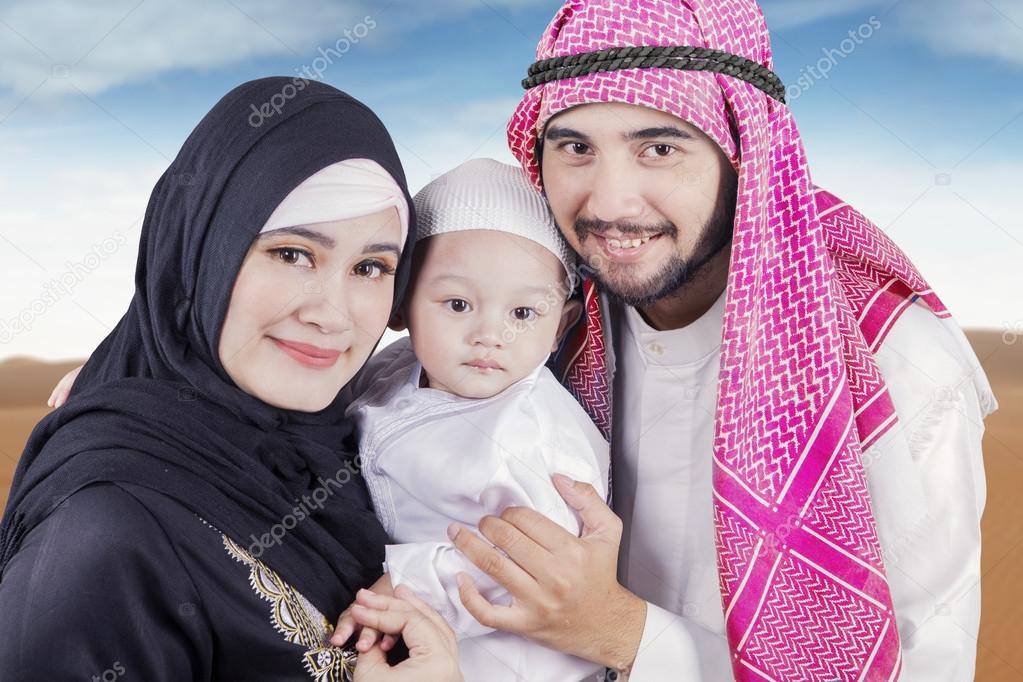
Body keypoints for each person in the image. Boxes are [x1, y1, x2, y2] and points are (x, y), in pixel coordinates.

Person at [446, 1, 998, 680]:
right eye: (575, 148)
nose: (611, 203)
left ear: (742, 149)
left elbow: (924, 669)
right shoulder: (544, 318)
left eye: (659, 148)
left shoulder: (893, 360)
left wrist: (621, 633)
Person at [0, 77, 463, 682]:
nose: (332, 312)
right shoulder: (103, 541)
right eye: (293, 253)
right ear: (200, 254)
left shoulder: (364, 454)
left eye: (370, 267)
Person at [331, 158, 608, 682]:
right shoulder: (393, 368)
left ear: (560, 325)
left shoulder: (537, 435)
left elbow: (537, 566)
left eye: (523, 314)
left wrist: (407, 582)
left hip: (508, 656)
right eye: (457, 304)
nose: (490, 334)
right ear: (400, 306)